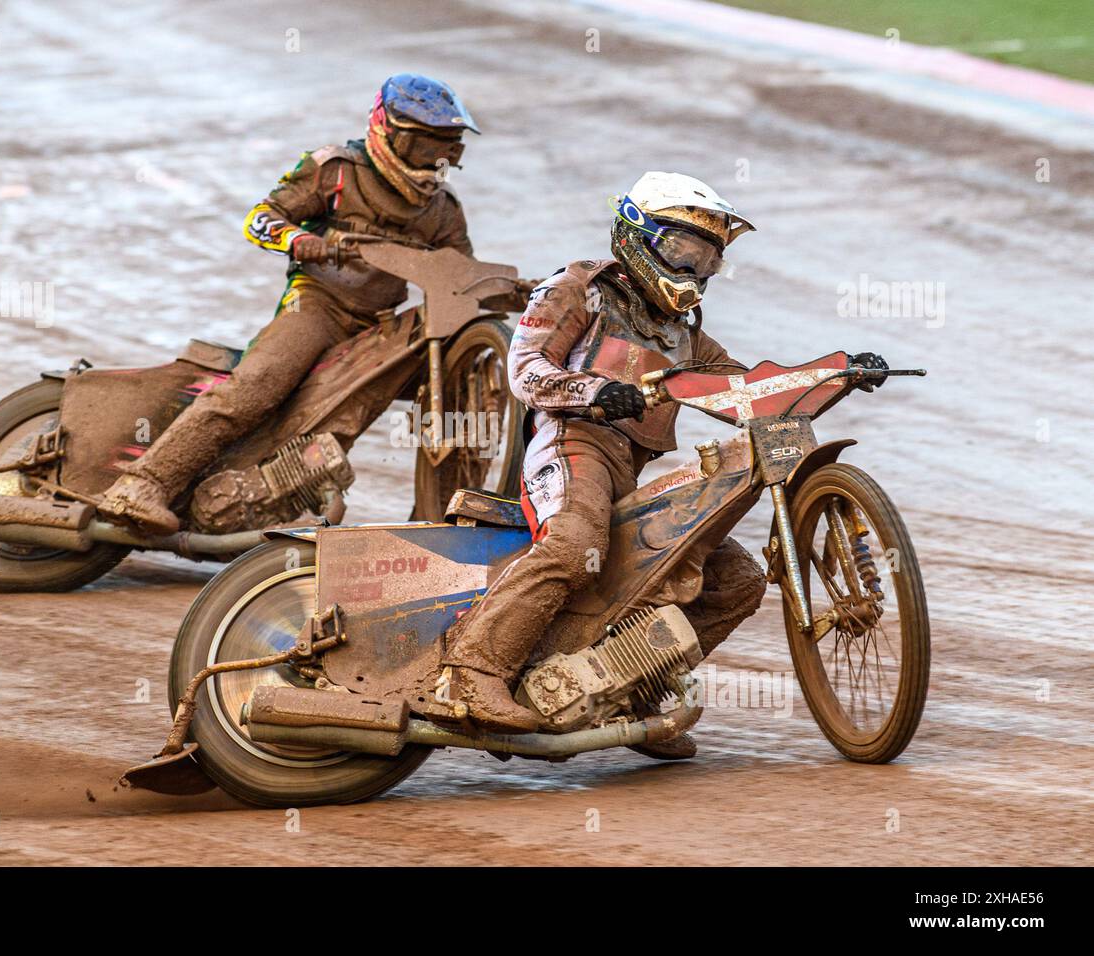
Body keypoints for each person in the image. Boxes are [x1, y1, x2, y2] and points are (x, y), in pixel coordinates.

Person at [440, 171, 775, 740]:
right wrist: (595, 391)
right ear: (635, 234)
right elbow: (525, 371)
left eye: (704, 262)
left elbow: (748, 391)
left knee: (736, 579)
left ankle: (630, 690)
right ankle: (471, 673)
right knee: (576, 545)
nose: (691, 272)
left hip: (629, 474)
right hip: (570, 445)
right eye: (681, 253)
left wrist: (833, 374)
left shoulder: (685, 335)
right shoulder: (577, 288)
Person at [97, 73, 479, 534]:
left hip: (380, 329)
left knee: (456, 380)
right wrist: (299, 240)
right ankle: (143, 483)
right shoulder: (333, 170)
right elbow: (261, 217)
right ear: (387, 131)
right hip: (316, 306)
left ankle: (441, 520)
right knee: (255, 387)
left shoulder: (443, 208)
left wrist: (529, 291)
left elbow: (462, 276)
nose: (435, 159)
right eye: (424, 145)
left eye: (447, 148)